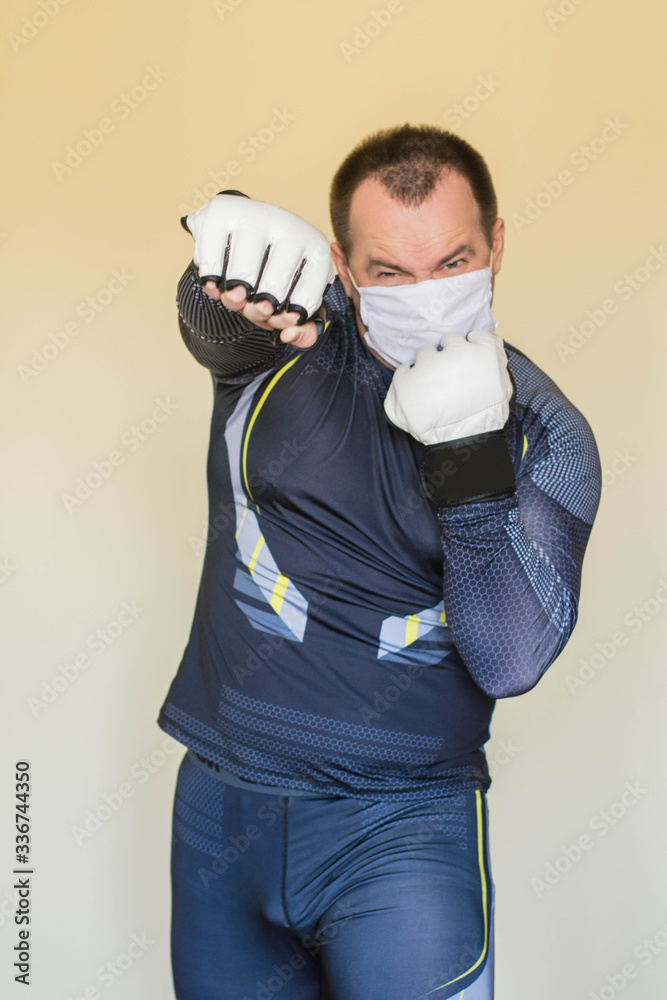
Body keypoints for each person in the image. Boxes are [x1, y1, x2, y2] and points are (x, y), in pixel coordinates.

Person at [157, 123, 602, 999]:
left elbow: (511, 659)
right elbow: (216, 322)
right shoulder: (289, 341)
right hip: (221, 810)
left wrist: (466, 462)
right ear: (342, 265)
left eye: (452, 262)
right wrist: (224, 241)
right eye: (390, 272)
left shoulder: (545, 433)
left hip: (405, 834)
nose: (426, 295)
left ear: (496, 245)